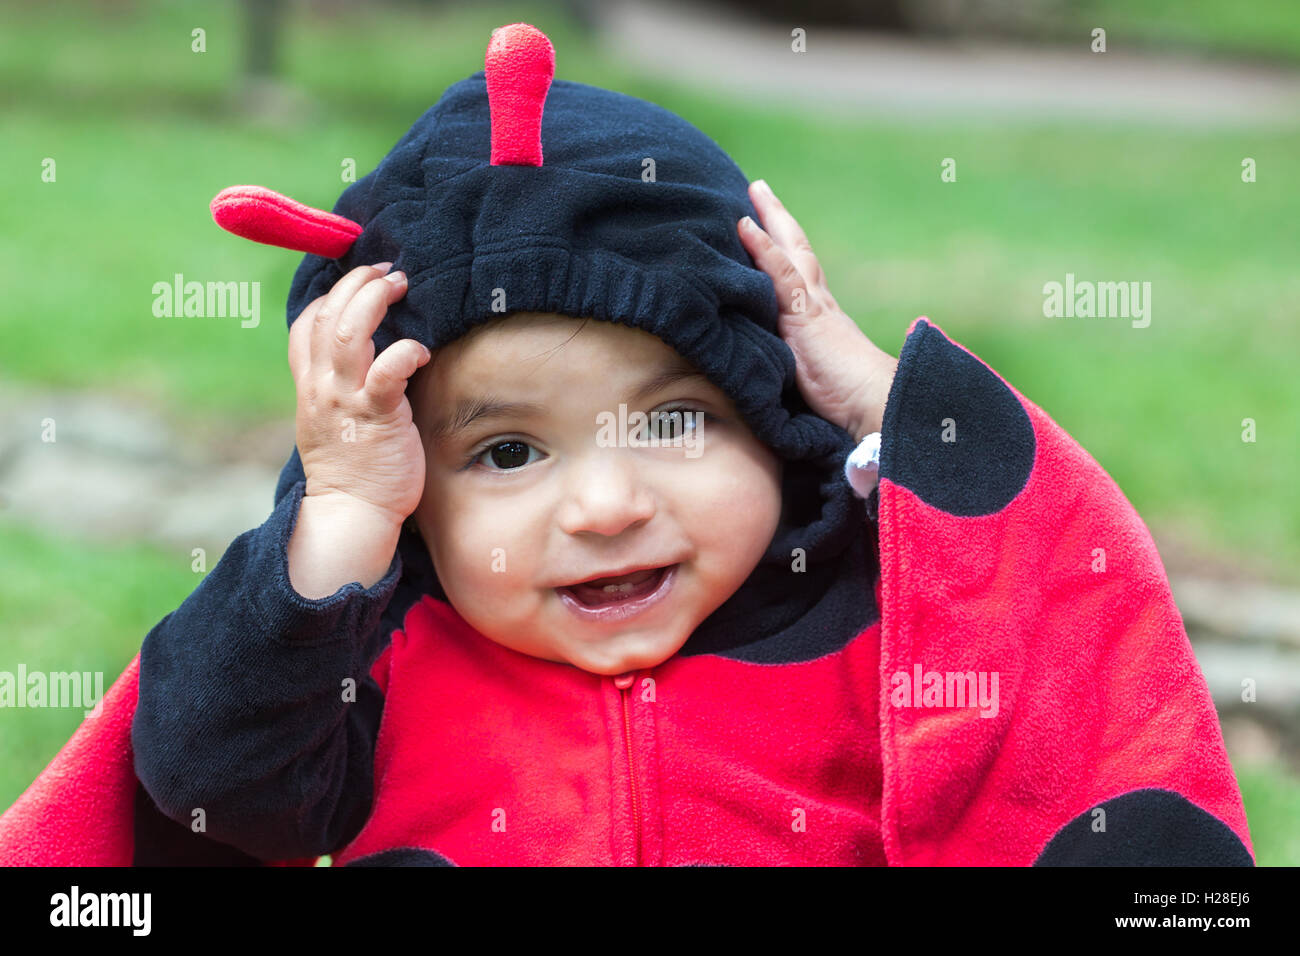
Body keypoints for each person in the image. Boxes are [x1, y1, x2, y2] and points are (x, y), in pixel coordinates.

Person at [0, 23, 1252, 867]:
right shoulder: (374, 665)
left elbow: (1063, 627)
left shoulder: (871, 616)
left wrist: (884, 401)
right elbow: (208, 782)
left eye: (672, 420)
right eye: (503, 455)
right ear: (414, 496)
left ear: (774, 417)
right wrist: (337, 515)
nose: (604, 503)